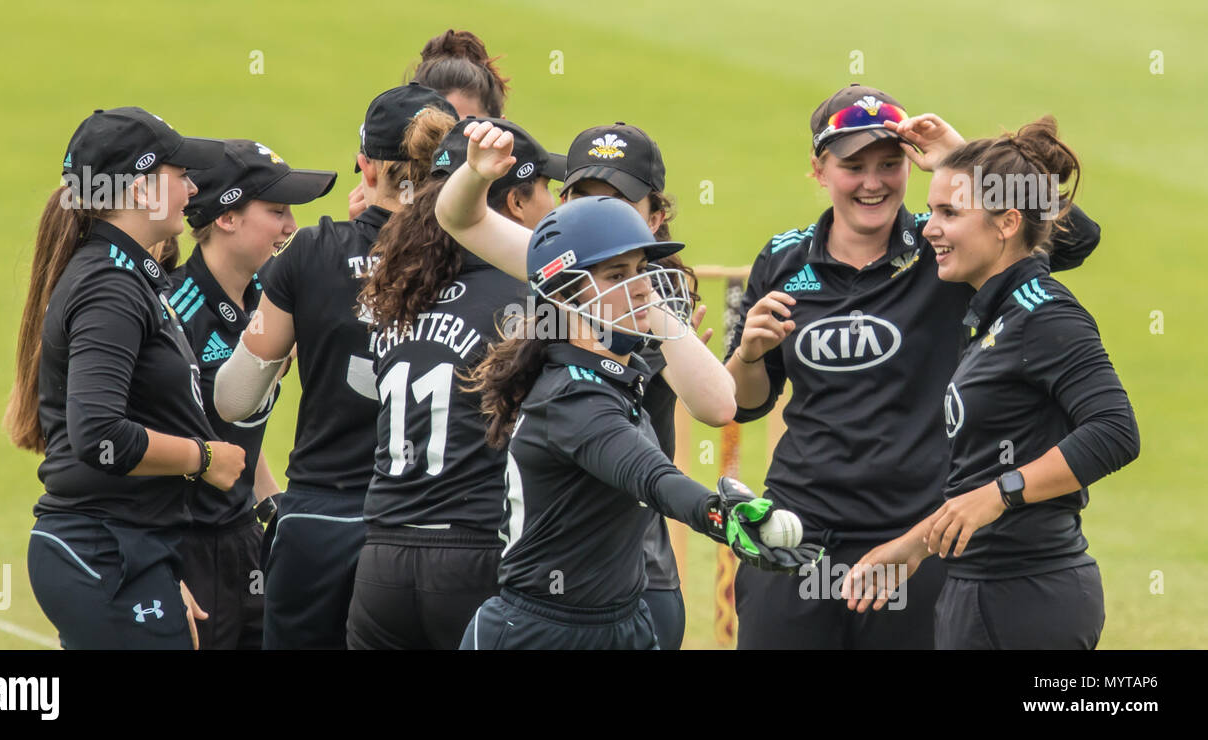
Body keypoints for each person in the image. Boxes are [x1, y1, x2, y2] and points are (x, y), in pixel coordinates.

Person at [724, 84, 1103, 649]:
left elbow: (1075, 241)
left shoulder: (945, 244)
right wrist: (747, 354)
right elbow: (744, 403)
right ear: (818, 168)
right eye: (853, 165)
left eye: (890, 163)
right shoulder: (781, 259)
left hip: (916, 541)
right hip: (797, 538)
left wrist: (963, 157)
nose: (873, 182)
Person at [459, 196, 821, 649]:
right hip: (540, 633)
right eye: (617, 275)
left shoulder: (616, 375)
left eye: (640, 271)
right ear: (566, 295)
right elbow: (650, 477)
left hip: (622, 623)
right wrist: (721, 516)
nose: (643, 289)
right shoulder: (571, 396)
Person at [842, 116, 1138, 649]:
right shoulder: (990, 315)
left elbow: (1115, 431)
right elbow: (977, 477)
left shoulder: (1044, 315)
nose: (928, 227)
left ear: (1006, 224)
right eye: (932, 210)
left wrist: (1002, 495)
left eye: (949, 213)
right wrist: (912, 547)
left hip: (1026, 598)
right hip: (979, 589)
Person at [436, 120, 728, 649]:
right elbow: (459, 216)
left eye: (617, 199)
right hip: (558, 601)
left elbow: (717, 405)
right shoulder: (565, 279)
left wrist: (640, 298)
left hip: (635, 575)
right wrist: (476, 173)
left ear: (656, 215)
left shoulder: (645, 299)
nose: (598, 212)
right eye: (581, 196)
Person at [214, 83, 457, 649]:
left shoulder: (312, 254)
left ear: (365, 167)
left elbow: (233, 399)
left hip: (318, 529)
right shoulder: (477, 263)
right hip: (427, 536)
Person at [6, 106, 244, 649]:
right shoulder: (111, 287)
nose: (192, 185)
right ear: (140, 191)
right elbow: (99, 435)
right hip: (101, 552)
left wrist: (156, 569)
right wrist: (204, 458)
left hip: (122, 552)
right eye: (179, 173)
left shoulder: (128, 274)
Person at [346, 117, 563, 649]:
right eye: (545, 193)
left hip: (380, 558)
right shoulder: (529, 294)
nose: (554, 208)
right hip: (474, 554)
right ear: (513, 203)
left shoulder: (403, 287)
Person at [170, 138, 336, 649]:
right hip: (184, 545)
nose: (291, 228)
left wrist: (270, 507)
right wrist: (157, 566)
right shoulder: (173, 311)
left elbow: (239, 431)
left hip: (244, 536)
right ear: (226, 219)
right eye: (277, 211)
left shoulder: (269, 300)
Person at [347, 29, 508, 219]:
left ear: (501, 130)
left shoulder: (518, 205)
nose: (447, 147)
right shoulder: (380, 206)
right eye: (434, 132)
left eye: (463, 131)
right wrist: (369, 230)